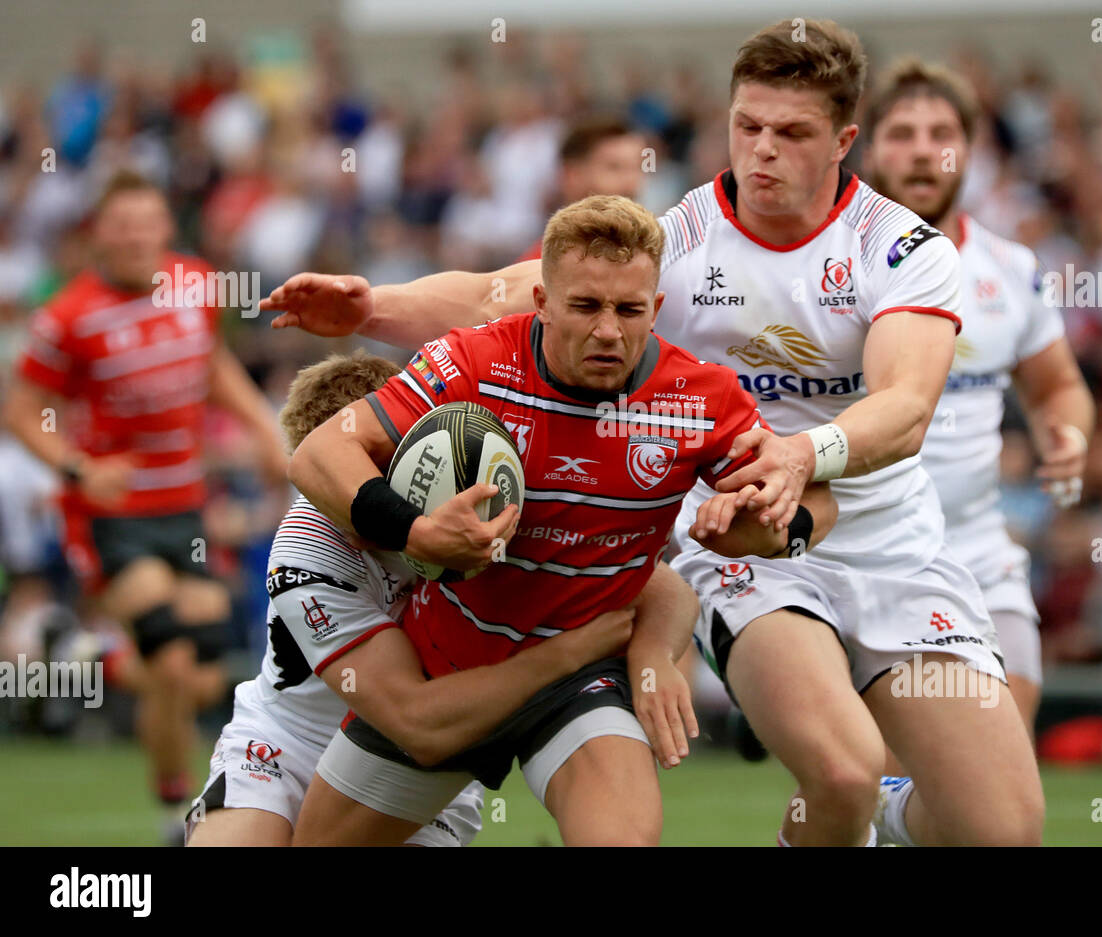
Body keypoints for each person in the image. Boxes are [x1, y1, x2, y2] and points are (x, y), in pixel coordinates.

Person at [262, 19, 1043, 847]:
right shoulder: (683, 238)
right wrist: (372, 307)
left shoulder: (901, 249)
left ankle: (890, 812)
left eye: (792, 133)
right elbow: (517, 289)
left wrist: (796, 454)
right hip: (741, 542)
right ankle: (856, 799)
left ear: (846, 140)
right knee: (841, 768)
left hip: (885, 538)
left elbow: (906, 406)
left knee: (1001, 830)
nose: (762, 150)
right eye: (748, 127)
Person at [287, 195, 837, 846]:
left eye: (629, 310)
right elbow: (320, 451)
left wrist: (769, 525)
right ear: (541, 301)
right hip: (450, 666)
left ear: (656, 310)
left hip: (581, 680)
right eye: (586, 306)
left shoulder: (700, 397)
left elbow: (817, 501)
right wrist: (415, 531)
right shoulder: (473, 361)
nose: (609, 330)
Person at [188, 350, 649, 845]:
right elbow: (415, 718)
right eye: (329, 487)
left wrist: (658, 654)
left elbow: (654, 578)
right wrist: (568, 653)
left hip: (423, 767)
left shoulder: (485, 489)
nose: (349, 503)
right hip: (288, 745)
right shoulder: (306, 550)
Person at [4, 169, 287, 838]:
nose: (135, 236)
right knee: (169, 656)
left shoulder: (195, 283)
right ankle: (173, 814)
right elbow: (21, 411)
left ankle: (81, 658)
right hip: (113, 512)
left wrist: (262, 427)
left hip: (186, 508)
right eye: (120, 224)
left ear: (167, 226)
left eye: (147, 222)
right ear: (99, 232)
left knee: (202, 675)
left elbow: (211, 364)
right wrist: (77, 467)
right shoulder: (67, 316)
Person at [861, 59, 1095, 733]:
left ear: (969, 150)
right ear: (869, 147)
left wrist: (1069, 435)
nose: (922, 150)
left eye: (942, 132)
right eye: (901, 133)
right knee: (885, 778)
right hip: (872, 553)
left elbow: (1059, 387)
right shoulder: (838, 267)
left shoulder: (1010, 268)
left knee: (1002, 773)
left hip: (978, 546)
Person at [514, 115, 646, 262]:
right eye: (614, 168)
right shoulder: (535, 271)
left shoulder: (660, 261)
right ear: (572, 175)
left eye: (637, 168)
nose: (632, 184)